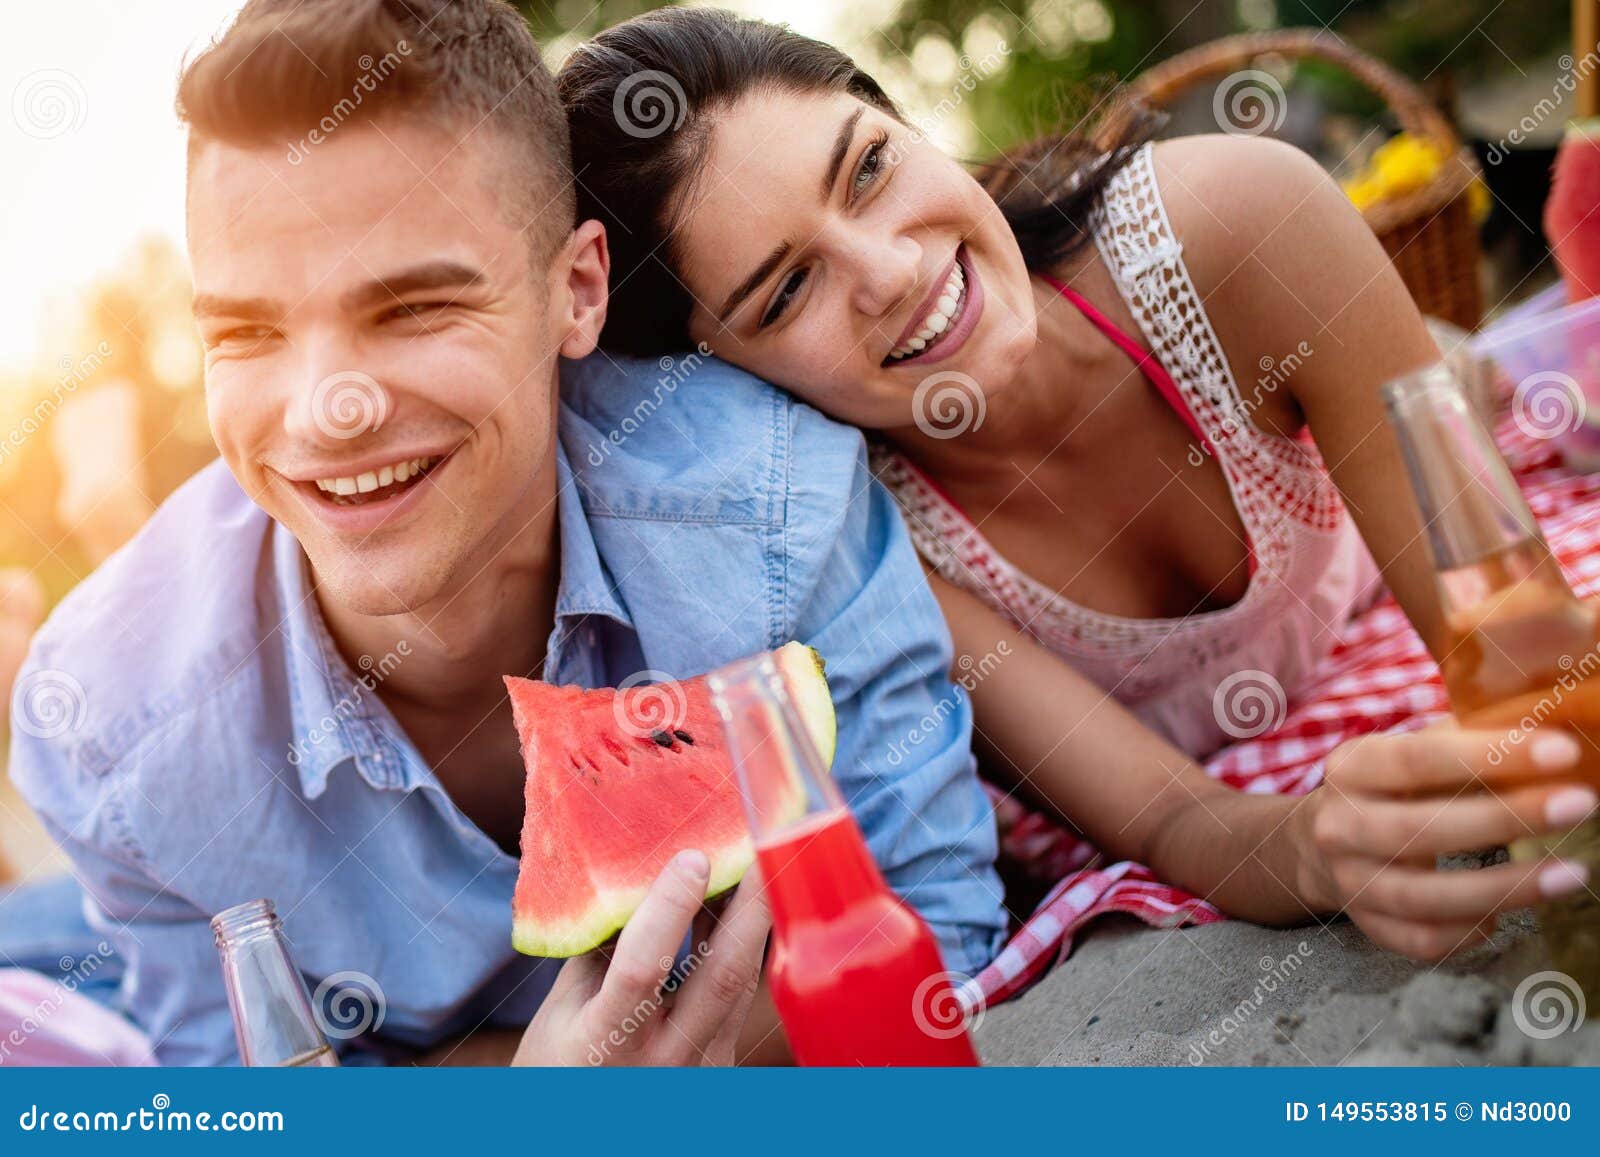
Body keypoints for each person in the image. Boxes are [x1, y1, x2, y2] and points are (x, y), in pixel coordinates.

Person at [6, 0, 1006, 1066]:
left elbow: (935, 921)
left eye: (412, 310)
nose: (325, 411)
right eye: (249, 331)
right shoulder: (107, 729)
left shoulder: (765, 504)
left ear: (576, 292)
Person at [557, 8, 1598, 963]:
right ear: (732, 385)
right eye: (786, 291)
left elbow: (1512, 636)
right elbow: (1171, 819)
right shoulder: (874, 557)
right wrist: (1328, 845)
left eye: (868, 168)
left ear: (904, 124)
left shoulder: (1242, 220)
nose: (889, 271)